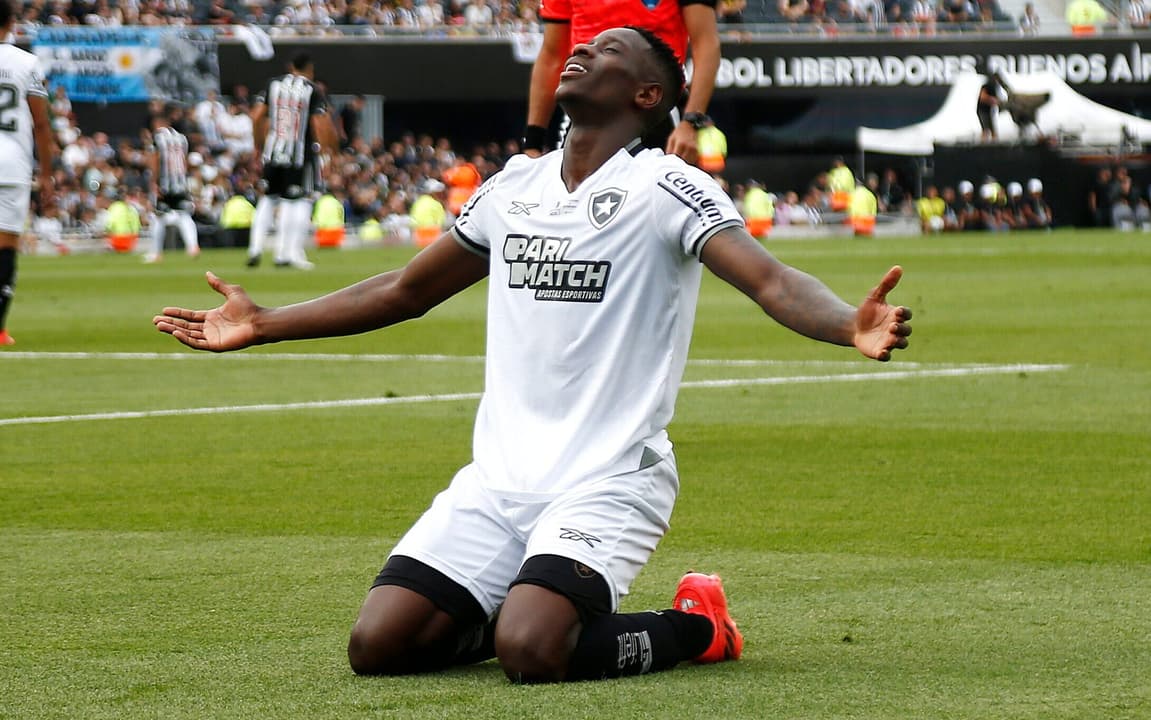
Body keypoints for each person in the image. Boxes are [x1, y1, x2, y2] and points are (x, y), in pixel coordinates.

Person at [154, 27, 912, 685]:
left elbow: (770, 280)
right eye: (579, 47)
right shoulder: (513, 186)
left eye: (606, 50)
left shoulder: (665, 186)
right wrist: (266, 323)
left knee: (532, 652)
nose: (578, 51)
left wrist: (847, 323)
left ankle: (697, 627)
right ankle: (521, 601)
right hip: (498, 480)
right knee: (378, 646)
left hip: (608, 478)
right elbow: (403, 290)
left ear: (648, 96)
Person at [522, 0, 720, 166]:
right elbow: (552, 55)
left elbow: (706, 43)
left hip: (653, 109)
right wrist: (532, 143)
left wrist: (691, 121)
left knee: (657, 203)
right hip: (585, 110)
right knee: (571, 202)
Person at [246, 52, 339, 270]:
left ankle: (255, 248)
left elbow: (257, 116)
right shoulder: (311, 89)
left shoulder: (273, 84)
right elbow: (320, 124)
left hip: (273, 151)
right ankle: (287, 253)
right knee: (298, 201)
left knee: (267, 200)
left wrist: (258, 144)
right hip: (300, 155)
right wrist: (327, 152)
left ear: (290, 66)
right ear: (310, 69)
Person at [0, 0, 57, 346]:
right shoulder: (26, 63)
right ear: (11, 23)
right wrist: (47, 174)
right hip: (12, 164)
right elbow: (41, 123)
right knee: (5, 246)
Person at [144, 114, 201, 263]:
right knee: (184, 215)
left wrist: (153, 182)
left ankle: (156, 253)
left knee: (158, 217)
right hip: (180, 183)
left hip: (165, 184)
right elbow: (185, 160)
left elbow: (156, 158)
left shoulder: (158, 137)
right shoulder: (181, 138)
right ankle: (193, 247)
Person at [977, 71, 1004, 143]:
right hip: (982, 110)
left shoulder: (995, 87)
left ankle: (994, 145)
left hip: (988, 111)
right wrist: (993, 100)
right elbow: (982, 97)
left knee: (992, 130)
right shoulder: (987, 85)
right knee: (986, 129)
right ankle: (982, 146)